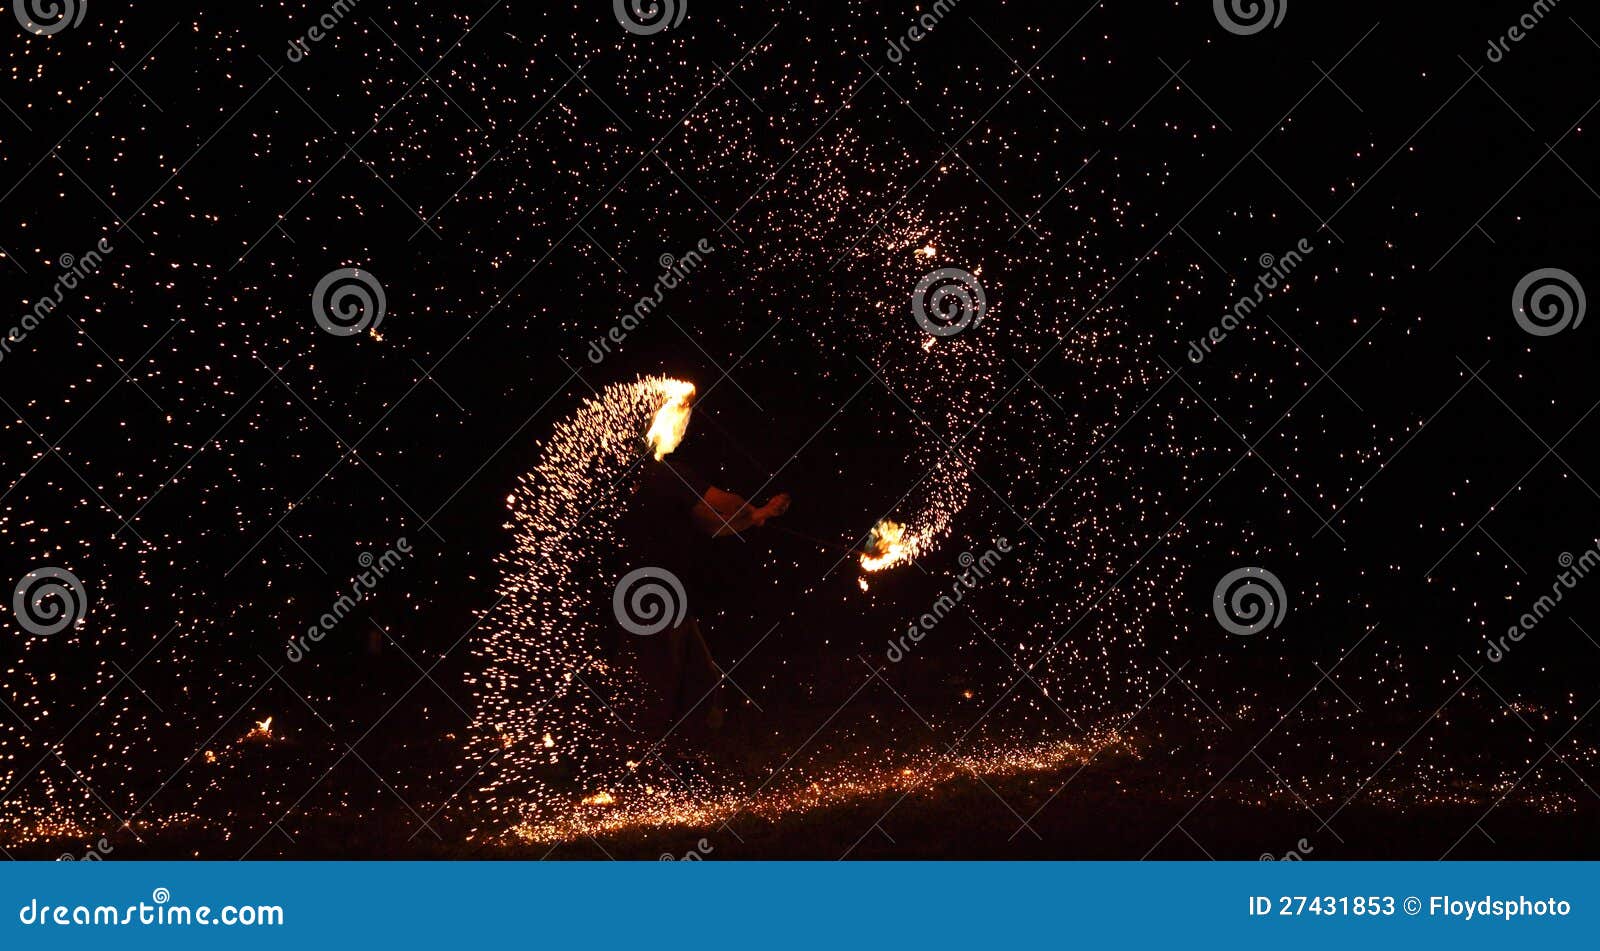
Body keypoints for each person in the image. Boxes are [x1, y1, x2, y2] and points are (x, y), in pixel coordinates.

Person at [621, 451, 790, 756]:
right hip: (651, 594)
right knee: (670, 689)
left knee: (697, 683)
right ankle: (646, 771)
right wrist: (756, 511)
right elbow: (725, 506)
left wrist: (758, 514)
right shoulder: (666, 473)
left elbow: (713, 525)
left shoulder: (643, 479)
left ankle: (679, 769)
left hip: (656, 594)